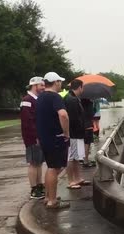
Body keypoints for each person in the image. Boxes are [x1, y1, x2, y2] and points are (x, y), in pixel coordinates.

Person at [36, 72, 70, 209]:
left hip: (44, 137)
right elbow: (63, 115)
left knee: (51, 166)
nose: (61, 84)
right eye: (59, 81)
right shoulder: (54, 97)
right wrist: (66, 132)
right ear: (55, 82)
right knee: (54, 167)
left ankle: (48, 196)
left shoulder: (40, 97)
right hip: (55, 137)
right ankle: (52, 201)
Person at [20, 77, 46, 199]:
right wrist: (35, 136)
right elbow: (27, 122)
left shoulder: (36, 99)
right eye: (41, 85)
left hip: (39, 136)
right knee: (34, 163)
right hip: (33, 137)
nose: (44, 87)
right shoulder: (27, 100)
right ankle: (34, 189)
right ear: (34, 86)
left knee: (39, 163)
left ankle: (39, 185)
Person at [64, 79, 90, 189]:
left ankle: (78, 178)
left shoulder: (72, 98)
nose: (83, 90)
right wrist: (82, 129)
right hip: (74, 133)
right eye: (82, 87)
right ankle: (71, 181)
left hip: (76, 133)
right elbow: (74, 119)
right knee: (71, 157)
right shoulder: (72, 100)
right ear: (79, 87)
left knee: (76, 157)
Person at [81, 98, 96, 167]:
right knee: (87, 144)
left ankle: (84, 159)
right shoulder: (89, 102)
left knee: (83, 143)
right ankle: (85, 161)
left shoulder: (78, 101)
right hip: (88, 126)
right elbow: (91, 114)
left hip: (81, 126)